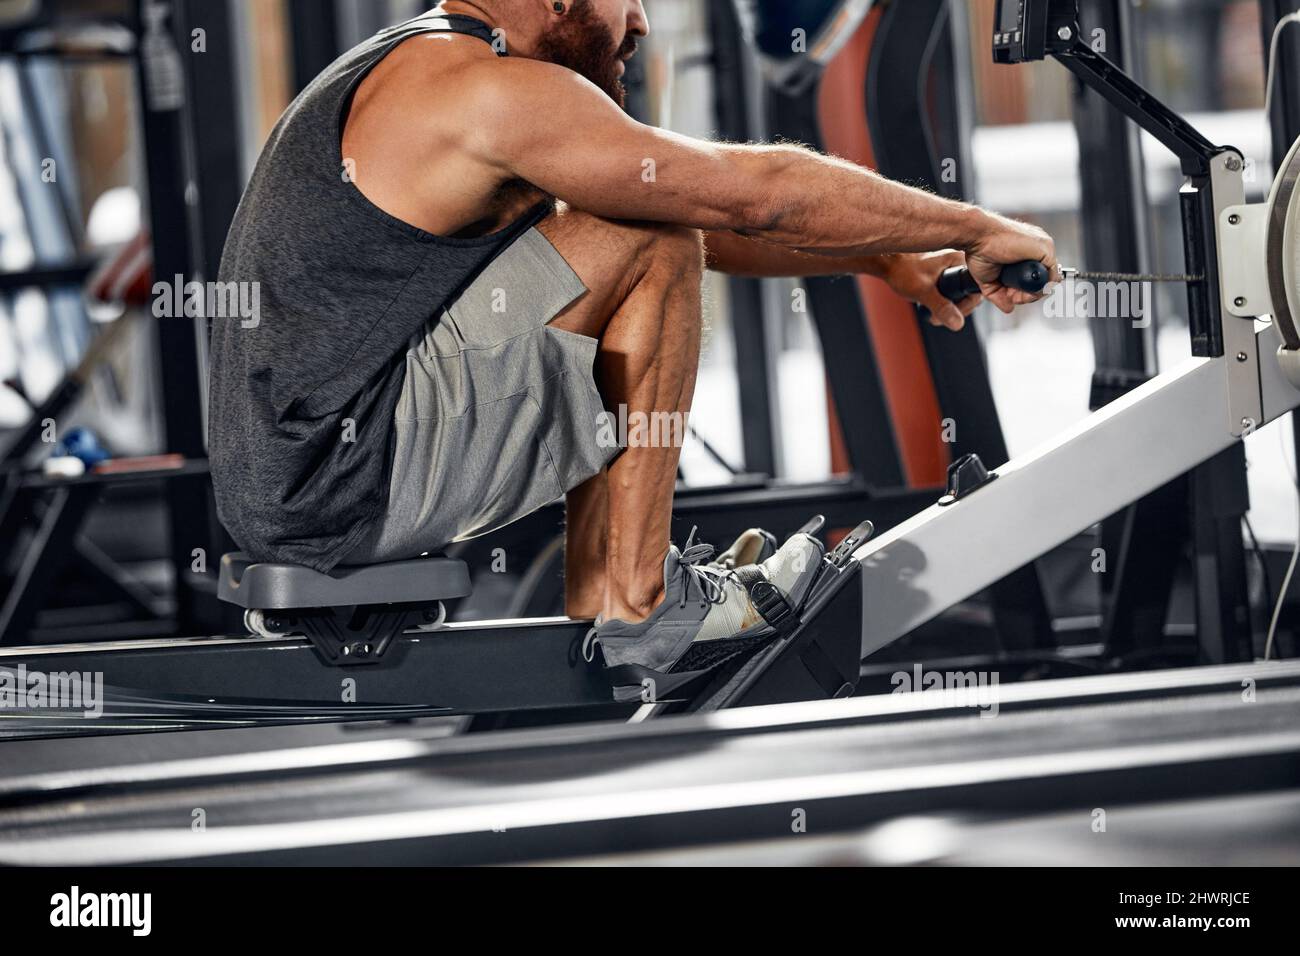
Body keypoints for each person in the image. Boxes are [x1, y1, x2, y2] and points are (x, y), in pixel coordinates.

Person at [208, 1, 1057, 691]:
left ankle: (622, 591)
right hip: (345, 480)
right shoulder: (492, 92)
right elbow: (746, 198)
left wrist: (886, 258)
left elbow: (680, 212)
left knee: (651, 233)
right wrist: (976, 225)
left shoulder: (424, 67)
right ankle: (640, 602)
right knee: (658, 248)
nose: (642, 23)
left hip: (312, 482)